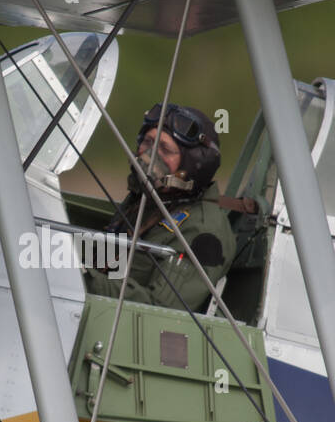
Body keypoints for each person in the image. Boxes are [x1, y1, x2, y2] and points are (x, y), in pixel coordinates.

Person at [83, 102, 236, 311]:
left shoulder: (203, 230)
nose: (150, 154)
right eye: (148, 142)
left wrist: (83, 279)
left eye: (165, 148)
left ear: (192, 165)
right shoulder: (149, 200)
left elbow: (160, 308)